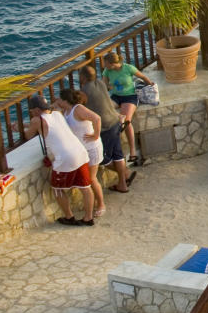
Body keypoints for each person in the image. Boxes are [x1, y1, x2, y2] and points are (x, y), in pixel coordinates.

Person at [20, 95, 94, 226]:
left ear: (36, 110)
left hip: (65, 158)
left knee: (57, 189)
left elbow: (28, 135)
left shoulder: (37, 120)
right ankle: (88, 218)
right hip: (80, 152)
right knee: (85, 187)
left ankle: (69, 217)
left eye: (31, 111)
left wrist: (18, 128)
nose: (31, 114)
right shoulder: (57, 114)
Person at [78, 65, 134, 192]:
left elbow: (79, 107)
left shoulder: (84, 92)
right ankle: (123, 183)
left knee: (103, 159)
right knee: (118, 155)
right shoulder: (101, 83)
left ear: (83, 77)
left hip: (105, 127)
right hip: (115, 122)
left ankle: (126, 173)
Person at [55, 88, 106, 219]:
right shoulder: (65, 111)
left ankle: (101, 204)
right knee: (86, 180)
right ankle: (93, 202)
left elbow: (97, 118)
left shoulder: (78, 109)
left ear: (65, 100)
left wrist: (96, 134)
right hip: (81, 151)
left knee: (91, 178)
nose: (57, 100)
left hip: (91, 148)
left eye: (59, 98)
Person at [101, 51, 152, 165]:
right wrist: (108, 87)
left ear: (112, 63)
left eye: (105, 63)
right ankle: (119, 118)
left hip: (129, 96)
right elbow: (104, 87)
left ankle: (133, 150)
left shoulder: (128, 68)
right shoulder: (107, 71)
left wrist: (150, 85)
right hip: (116, 97)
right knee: (105, 110)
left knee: (127, 121)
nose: (104, 65)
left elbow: (142, 76)